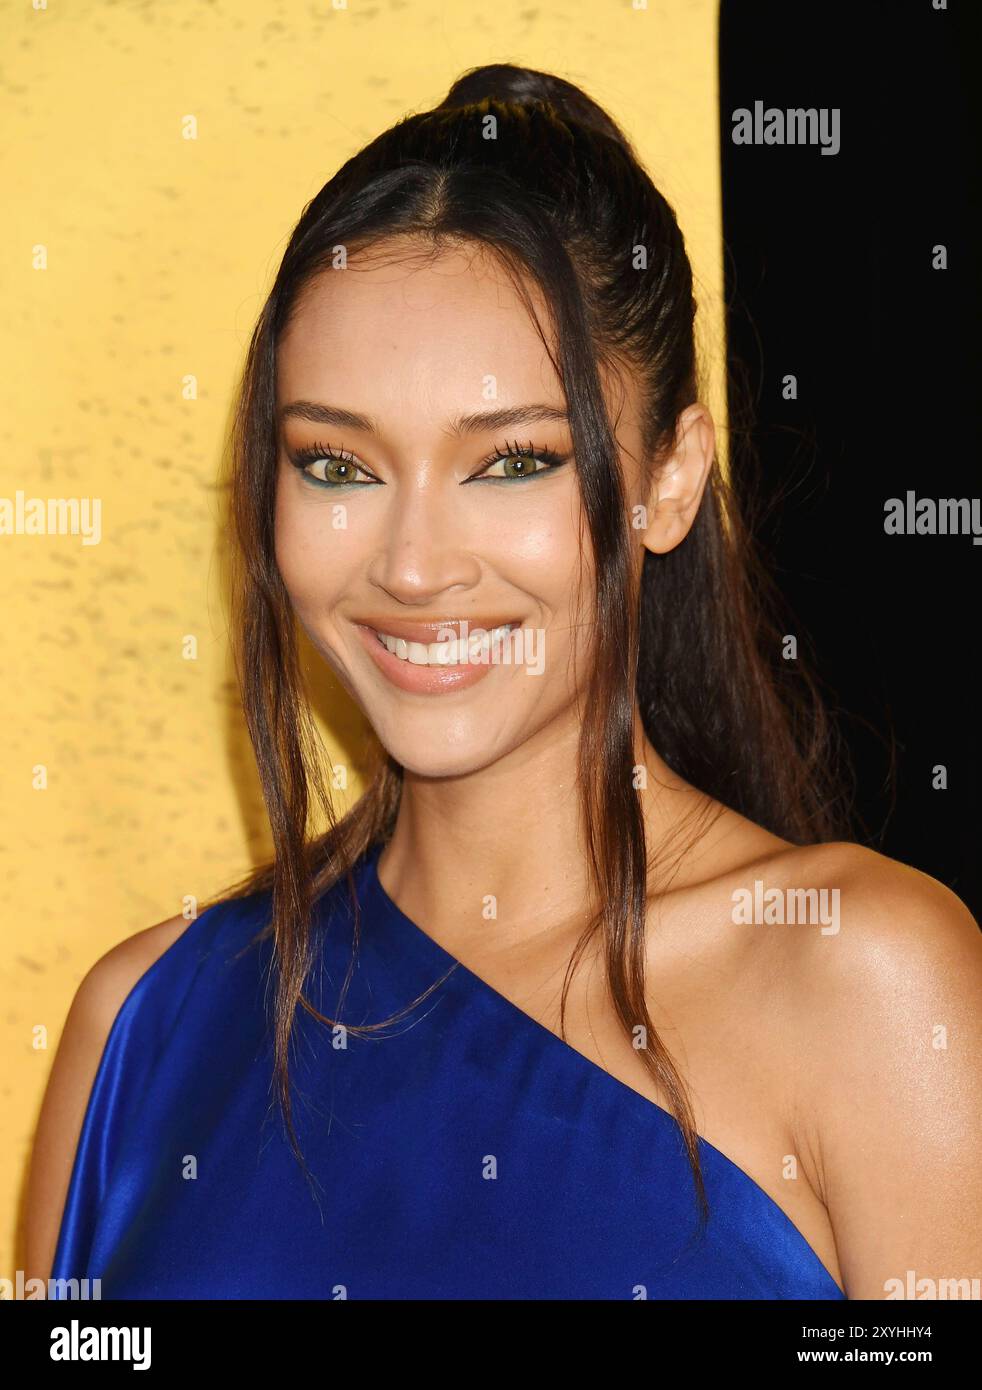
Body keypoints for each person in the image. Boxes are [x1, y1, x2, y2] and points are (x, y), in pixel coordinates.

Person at [25, 64, 982, 1300]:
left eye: (512, 460)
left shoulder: (866, 985)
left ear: (671, 478)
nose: (414, 564)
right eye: (336, 466)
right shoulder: (140, 1029)